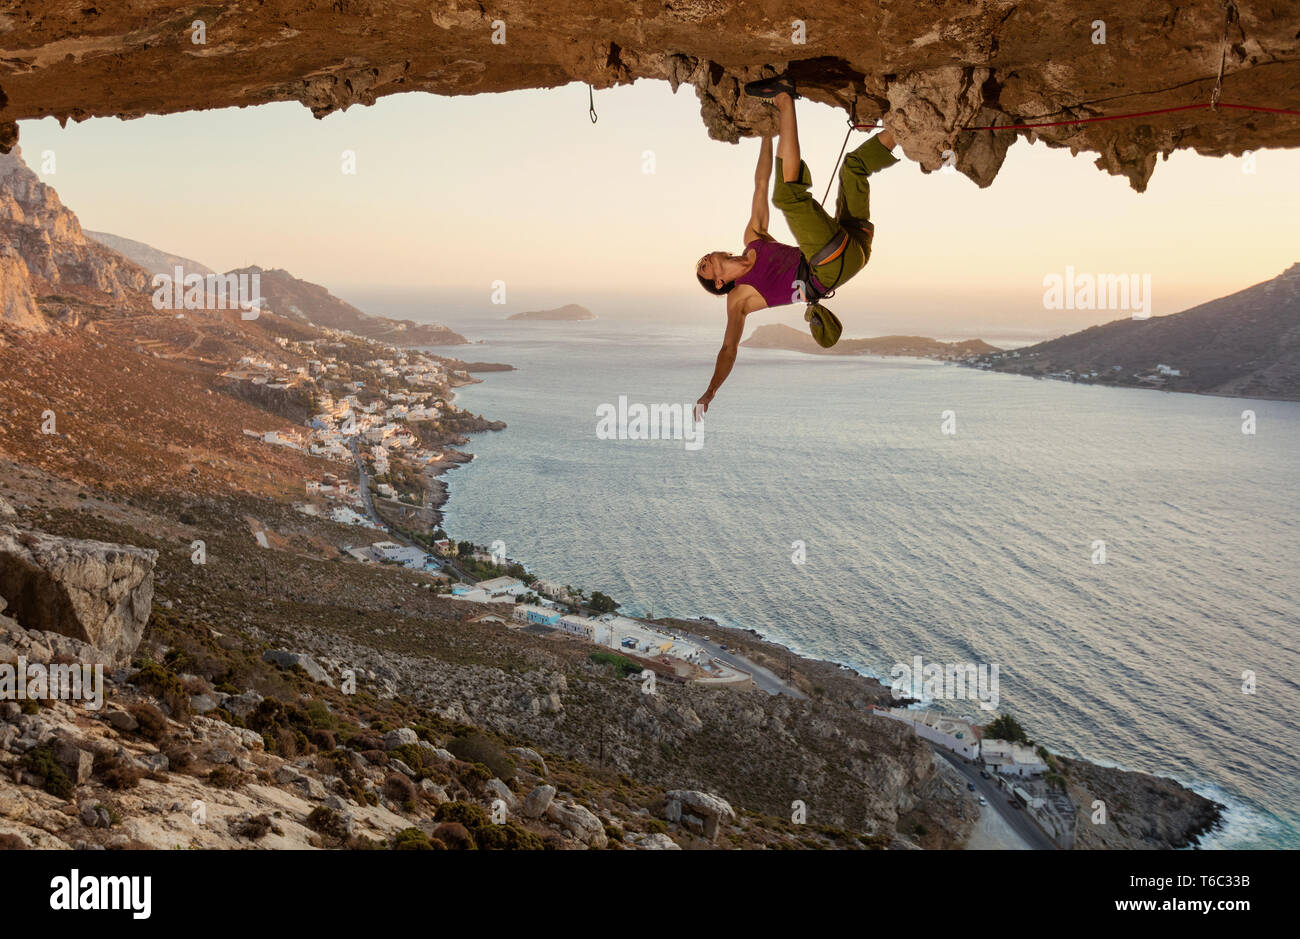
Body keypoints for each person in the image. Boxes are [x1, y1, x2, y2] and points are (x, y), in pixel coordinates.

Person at [694, 74, 900, 420]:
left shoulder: (753, 237)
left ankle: (907, 129)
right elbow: (728, 348)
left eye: (701, 260)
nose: (703, 260)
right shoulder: (738, 299)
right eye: (703, 267)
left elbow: (760, 184)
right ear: (718, 282)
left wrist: (766, 134)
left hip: (852, 245)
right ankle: (785, 99)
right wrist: (710, 390)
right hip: (829, 266)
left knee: (854, 167)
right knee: (788, 196)